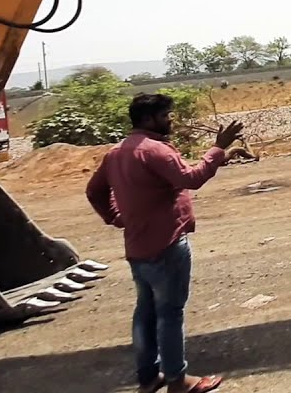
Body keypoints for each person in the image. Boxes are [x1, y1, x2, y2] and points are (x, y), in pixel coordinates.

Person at [86, 92, 245, 393]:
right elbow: (191, 178)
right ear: (148, 119)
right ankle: (177, 380)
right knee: (170, 314)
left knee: (145, 312)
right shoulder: (155, 150)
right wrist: (218, 148)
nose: (170, 120)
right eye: (165, 115)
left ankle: (148, 378)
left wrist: (117, 218)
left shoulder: (116, 153)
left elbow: (94, 191)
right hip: (167, 245)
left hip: (137, 247)